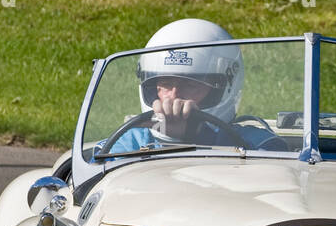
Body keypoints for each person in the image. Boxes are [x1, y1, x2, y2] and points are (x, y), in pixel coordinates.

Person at [103, 18, 283, 154]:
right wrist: (167, 138)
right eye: (165, 84)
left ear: (222, 88)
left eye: (190, 85)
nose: (174, 96)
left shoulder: (256, 144)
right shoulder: (127, 142)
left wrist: (185, 139)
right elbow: (89, 184)